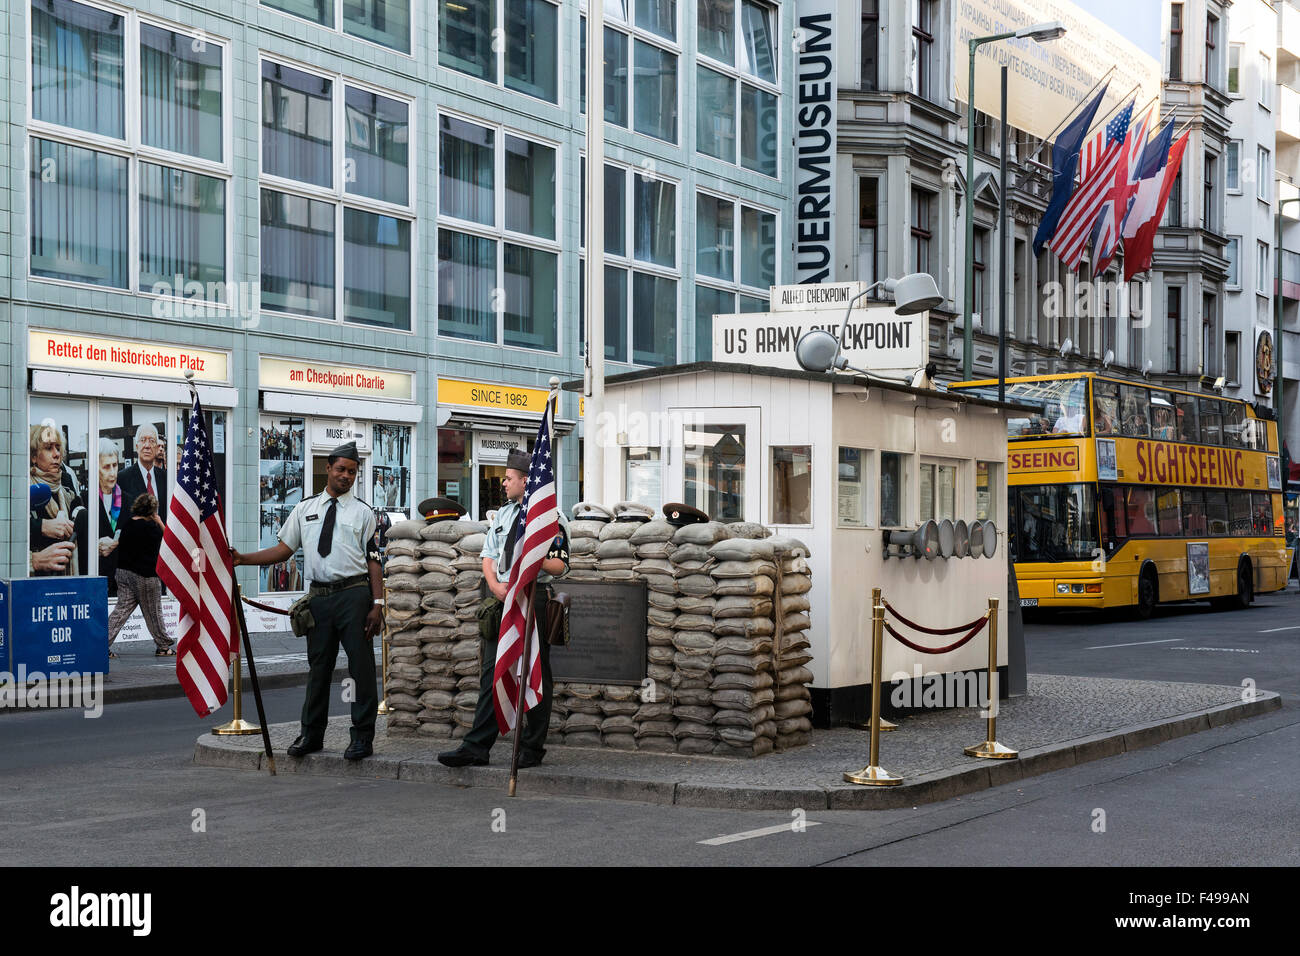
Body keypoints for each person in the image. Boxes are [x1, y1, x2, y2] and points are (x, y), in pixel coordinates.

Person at [232, 441, 383, 761]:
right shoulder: (304, 509)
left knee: (361, 669)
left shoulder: (363, 512)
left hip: (354, 595)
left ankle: (362, 737)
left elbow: (374, 561)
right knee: (318, 669)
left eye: (352, 472)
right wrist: (243, 558)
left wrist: (378, 605)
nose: (346, 476)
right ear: (327, 469)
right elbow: (283, 550)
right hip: (319, 598)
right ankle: (311, 735)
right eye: (341, 469)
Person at [439, 448, 569, 769]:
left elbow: (560, 566)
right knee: (492, 672)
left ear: (526, 481)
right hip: (501, 598)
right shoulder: (505, 514)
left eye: (509, 478)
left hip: (533, 597)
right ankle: (477, 747)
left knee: (535, 672)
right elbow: (488, 556)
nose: (504, 483)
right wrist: (496, 587)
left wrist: (534, 556)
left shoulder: (549, 516)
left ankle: (531, 747)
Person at [106, 493, 174, 658]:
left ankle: (101, 644)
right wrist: (159, 521)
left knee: (121, 610)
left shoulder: (128, 524)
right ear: (152, 511)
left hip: (123, 573)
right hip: (145, 576)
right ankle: (163, 646)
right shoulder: (151, 528)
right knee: (154, 612)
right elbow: (170, 540)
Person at [29, 422, 87, 576]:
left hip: (68, 577)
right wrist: (41, 526)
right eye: (49, 448)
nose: (56, 454)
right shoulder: (23, 487)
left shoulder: (66, 483)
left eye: (58, 448)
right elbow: (10, 531)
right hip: (35, 581)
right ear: (33, 456)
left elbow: (81, 519)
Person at [95, 438, 125, 597]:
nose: (113, 472)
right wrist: (95, 548)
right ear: (95, 468)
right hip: (97, 586)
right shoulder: (85, 501)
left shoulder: (129, 501)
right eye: (106, 467)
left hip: (124, 588)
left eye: (115, 465)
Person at [119, 422, 168, 516]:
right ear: (137, 446)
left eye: (152, 441)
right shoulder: (122, 479)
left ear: (156, 447)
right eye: (143, 440)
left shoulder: (165, 477)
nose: (147, 445)